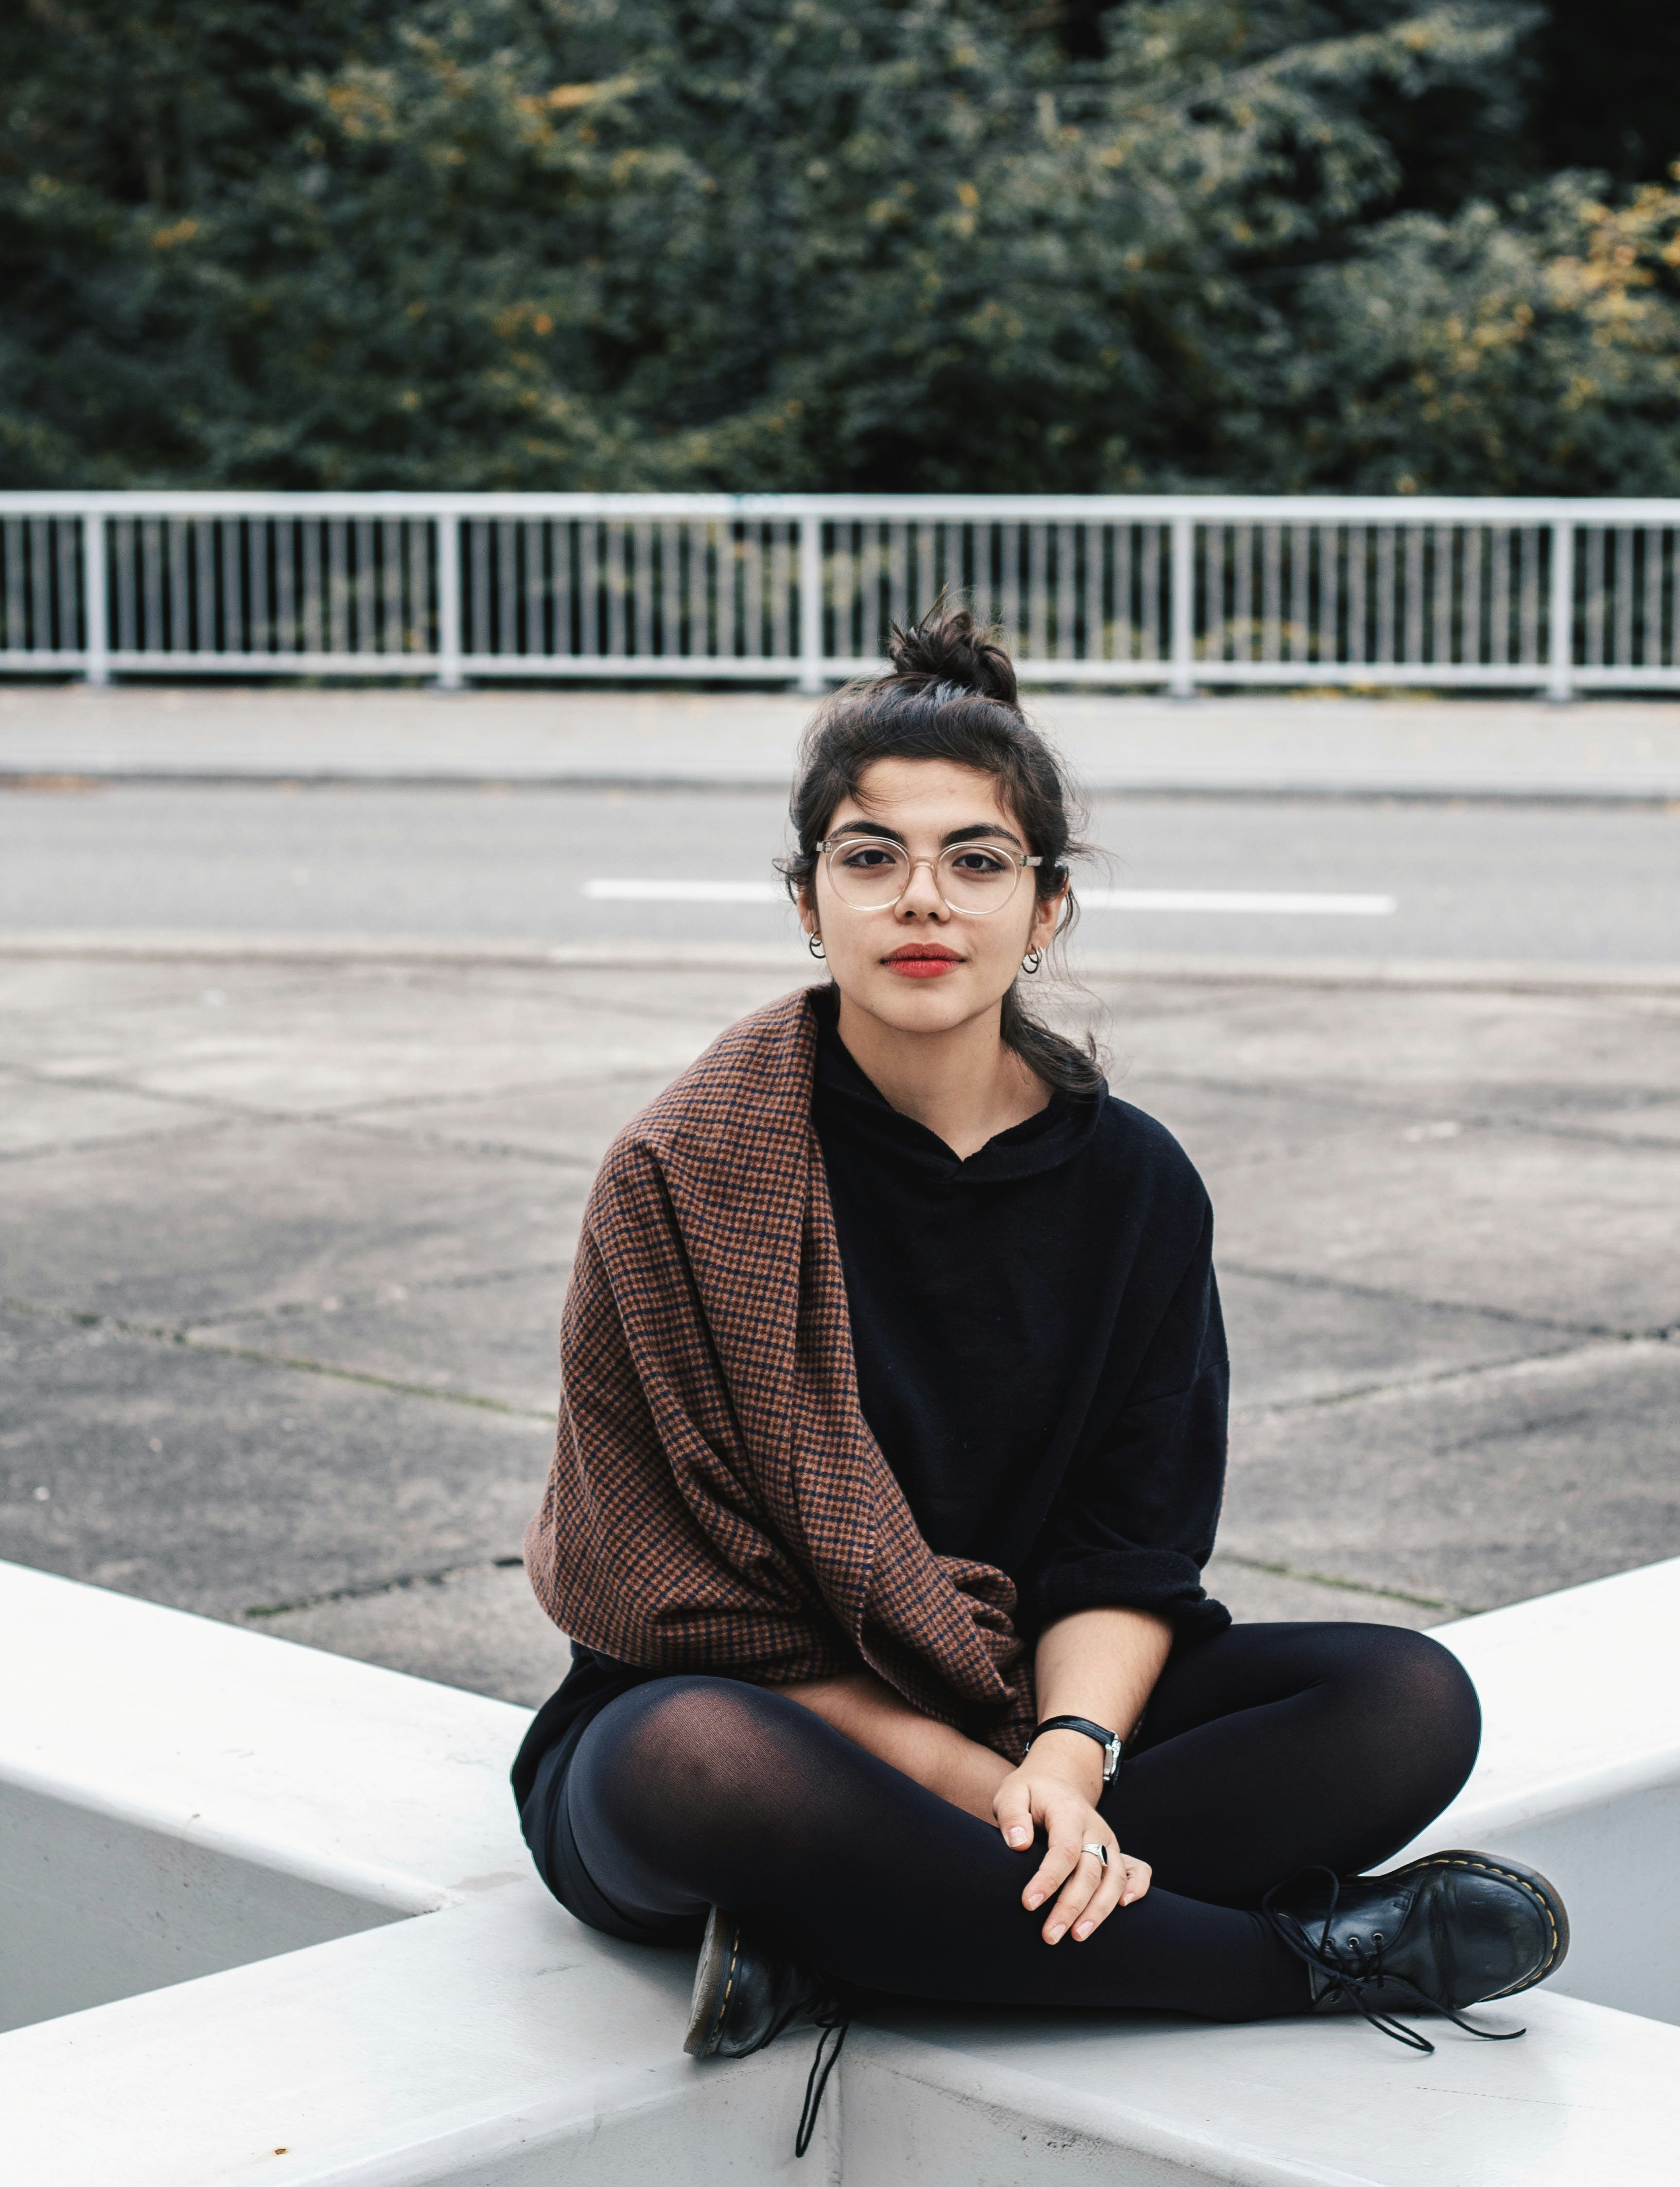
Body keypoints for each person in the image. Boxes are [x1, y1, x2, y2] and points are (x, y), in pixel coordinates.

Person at [512, 611, 1567, 2151]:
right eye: (870, 858)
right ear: (809, 901)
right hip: (752, 1722)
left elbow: (1129, 1547)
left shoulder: (1135, 1184)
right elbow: (665, 1591)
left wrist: (1067, 1754)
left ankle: (850, 1939)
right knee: (696, 1767)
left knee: (1407, 1699)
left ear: (1048, 906)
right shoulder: (686, 1173)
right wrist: (974, 1775)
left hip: (1024, 1690)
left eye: (977, 860)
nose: (922, 898)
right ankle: (1302, 1964)